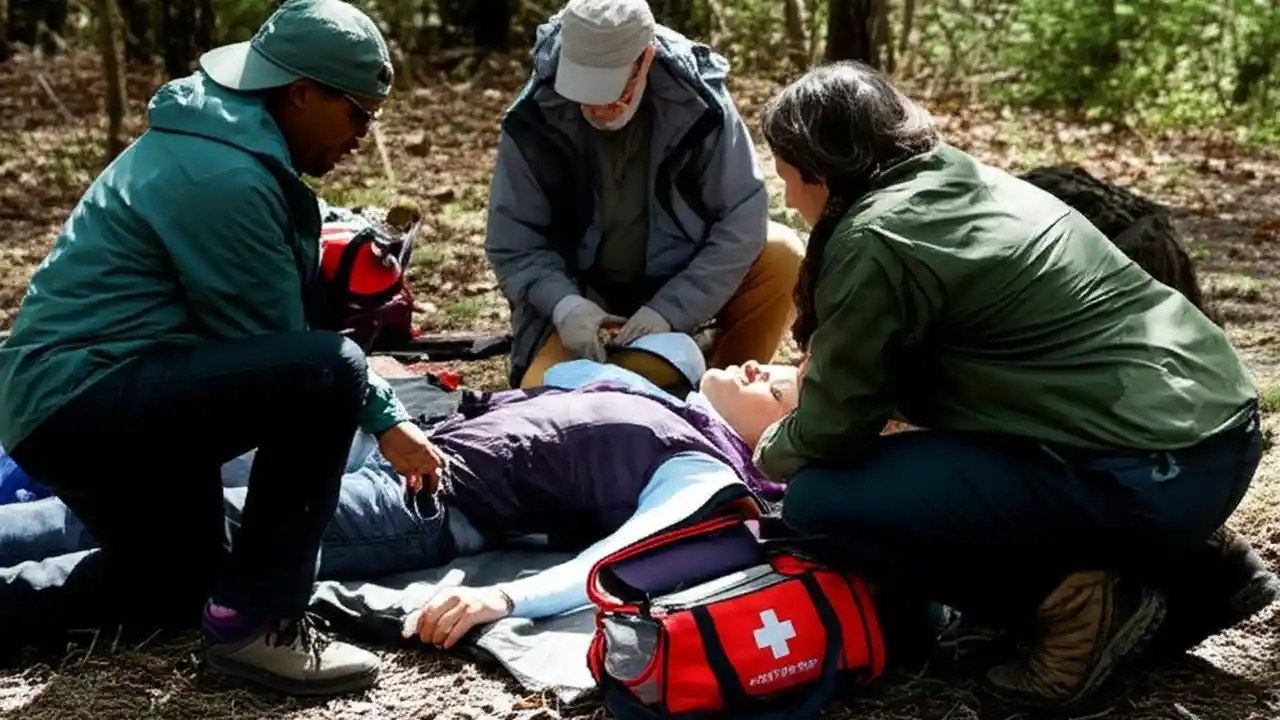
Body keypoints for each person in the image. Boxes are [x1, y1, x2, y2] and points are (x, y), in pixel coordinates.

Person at [751, 62, 1274, 707]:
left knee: (821, 506)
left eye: (785, 179)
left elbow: (835, 428)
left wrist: (764, 446)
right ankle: (1196, 566)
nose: (788, 201)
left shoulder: (875, 238)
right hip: (1215, 436)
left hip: (1143, 470)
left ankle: (1075, 607)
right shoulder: (961, 178)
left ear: (819, 172)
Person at [0, 0, 446, 696]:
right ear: (300, 93)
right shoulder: (224, 176)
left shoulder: (222, 144)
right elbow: (285, 353)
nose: (364, 134)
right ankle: (262, 624)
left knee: (172, 586)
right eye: (360, 112)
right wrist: (388, 419)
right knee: (328, 374)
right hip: (85, 397)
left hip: (87, 395)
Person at [1, 335, 798, 656]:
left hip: (426, 508)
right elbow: (561, 376)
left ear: (782, 449)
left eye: (786, 391)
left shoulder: (708, 471)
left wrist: (508, 600)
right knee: (142, 490)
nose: (765, 367)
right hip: (405, 442)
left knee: (186, 529)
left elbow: (620, 556)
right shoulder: (670, 401)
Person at [485, 0, 805, 390]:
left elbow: (741, 217)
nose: (599, 110)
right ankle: (651, 371)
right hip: (580, 293)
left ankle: (720, 385)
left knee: (782, 254)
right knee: (545, 401)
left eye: (612, 94)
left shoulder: (701, 105)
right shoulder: (533, 117)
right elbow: (514, 241)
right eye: (585, 95)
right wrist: (564, 304)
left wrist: (671, 310)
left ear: (646, 59)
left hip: (679, 278)